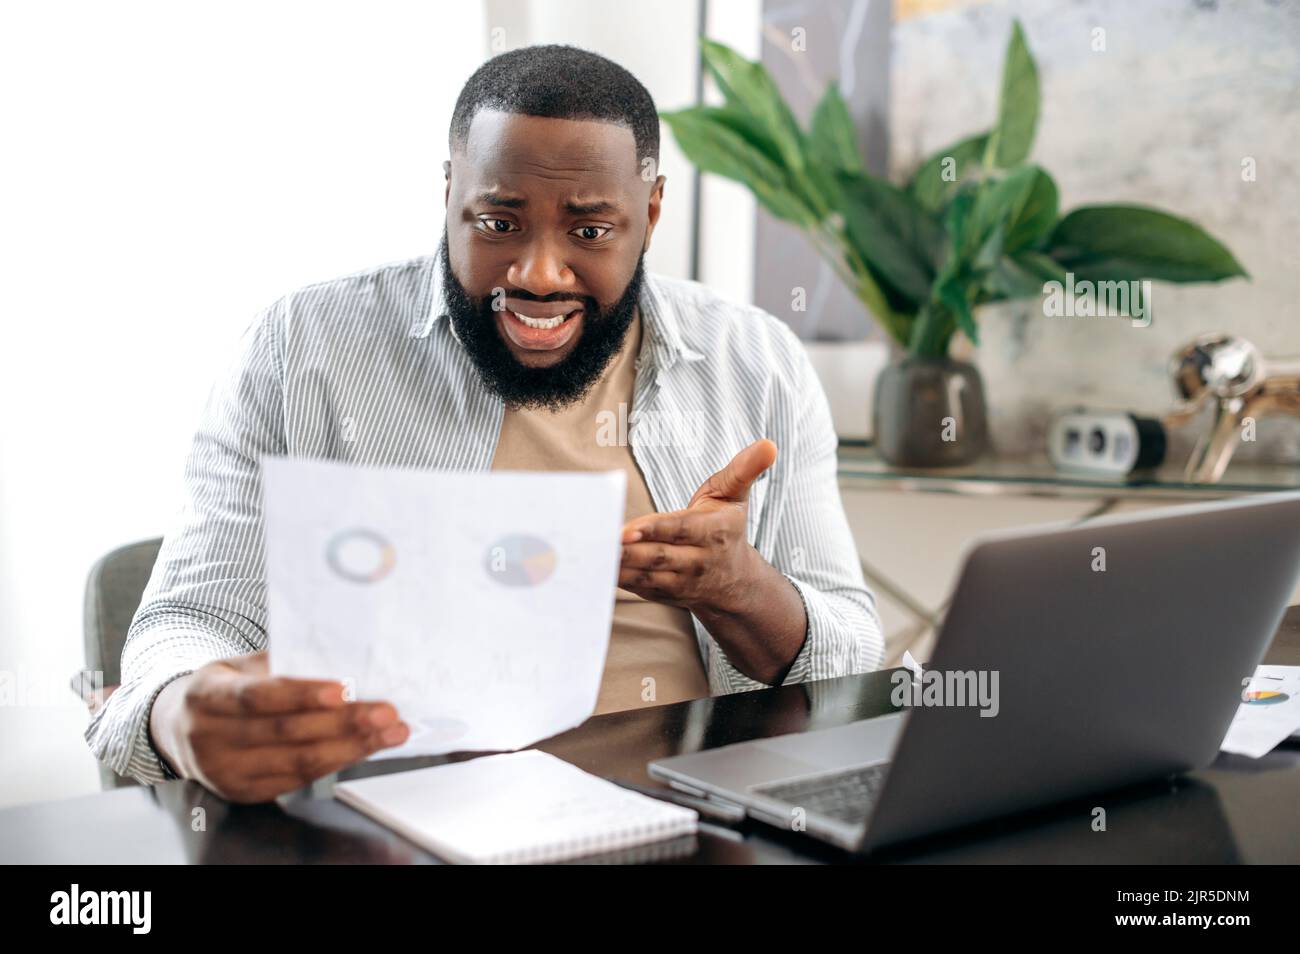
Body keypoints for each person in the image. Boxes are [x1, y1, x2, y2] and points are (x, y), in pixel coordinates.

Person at [86, 44, 884, 803]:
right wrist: (176, 711)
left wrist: (740, 590)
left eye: (590, 231)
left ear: (651, 210)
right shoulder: (303, 348)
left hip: (695, 816)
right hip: (394, 823)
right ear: (448, 193)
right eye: (498, 223)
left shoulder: (758, 362)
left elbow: (857, 657)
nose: (539, 273)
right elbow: (191, 619)